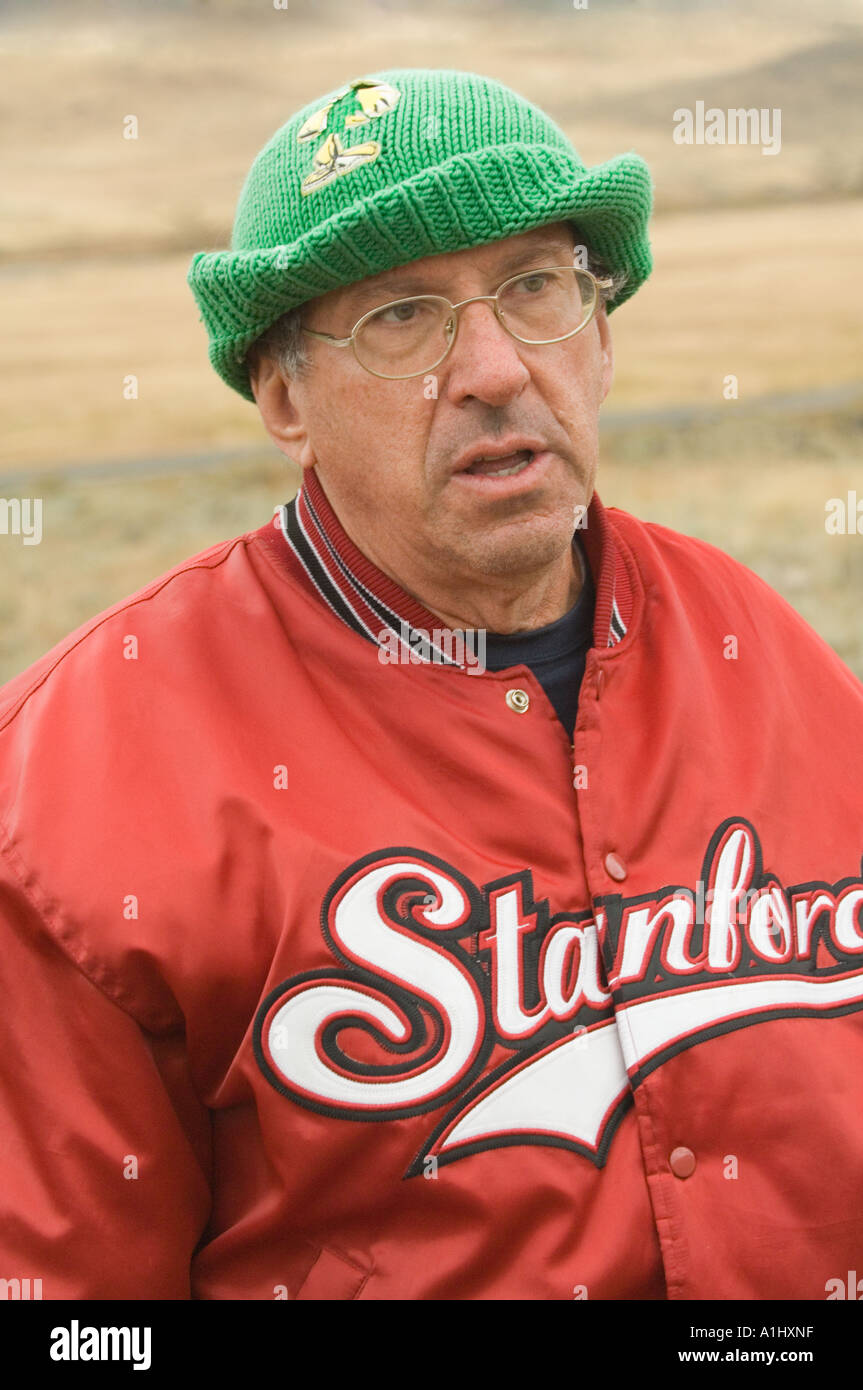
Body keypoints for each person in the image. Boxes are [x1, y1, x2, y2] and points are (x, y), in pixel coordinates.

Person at [1, 67, 862, 1303]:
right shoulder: (70, 786)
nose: (495, 368)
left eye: (534, 287)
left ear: (601, 334)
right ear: (283, 395)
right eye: (401, 315)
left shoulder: (763, 650)